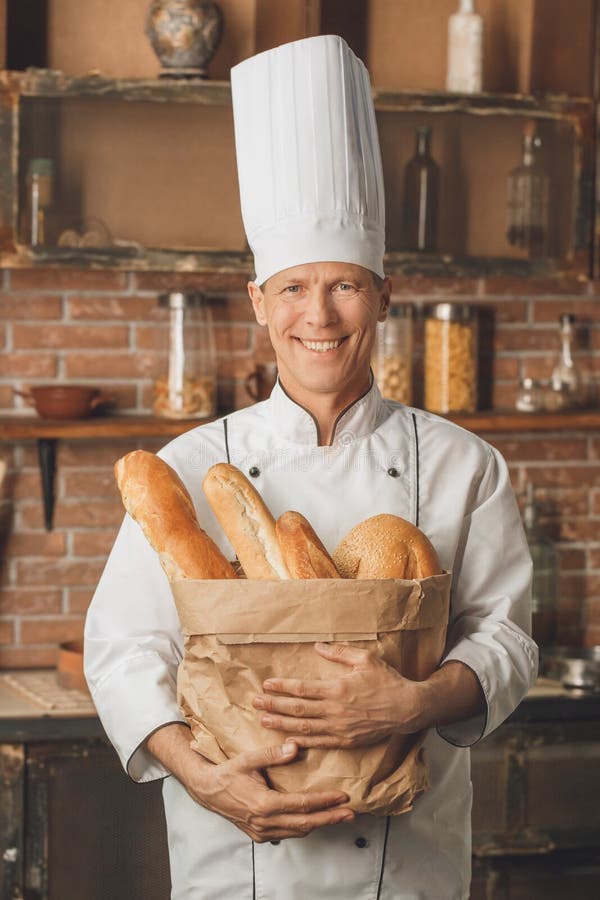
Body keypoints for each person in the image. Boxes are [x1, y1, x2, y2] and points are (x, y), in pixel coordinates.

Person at [84, 35, 538, 899]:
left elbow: (508, 640)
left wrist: (413, 702)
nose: (318, 316)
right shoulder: (194, 464)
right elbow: (124, 653)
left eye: (345, 285)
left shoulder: (464, 465)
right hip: (237, 869)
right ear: (259, 304)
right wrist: (202, 777)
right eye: (293, 288)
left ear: (385, 295)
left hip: (407, 869)